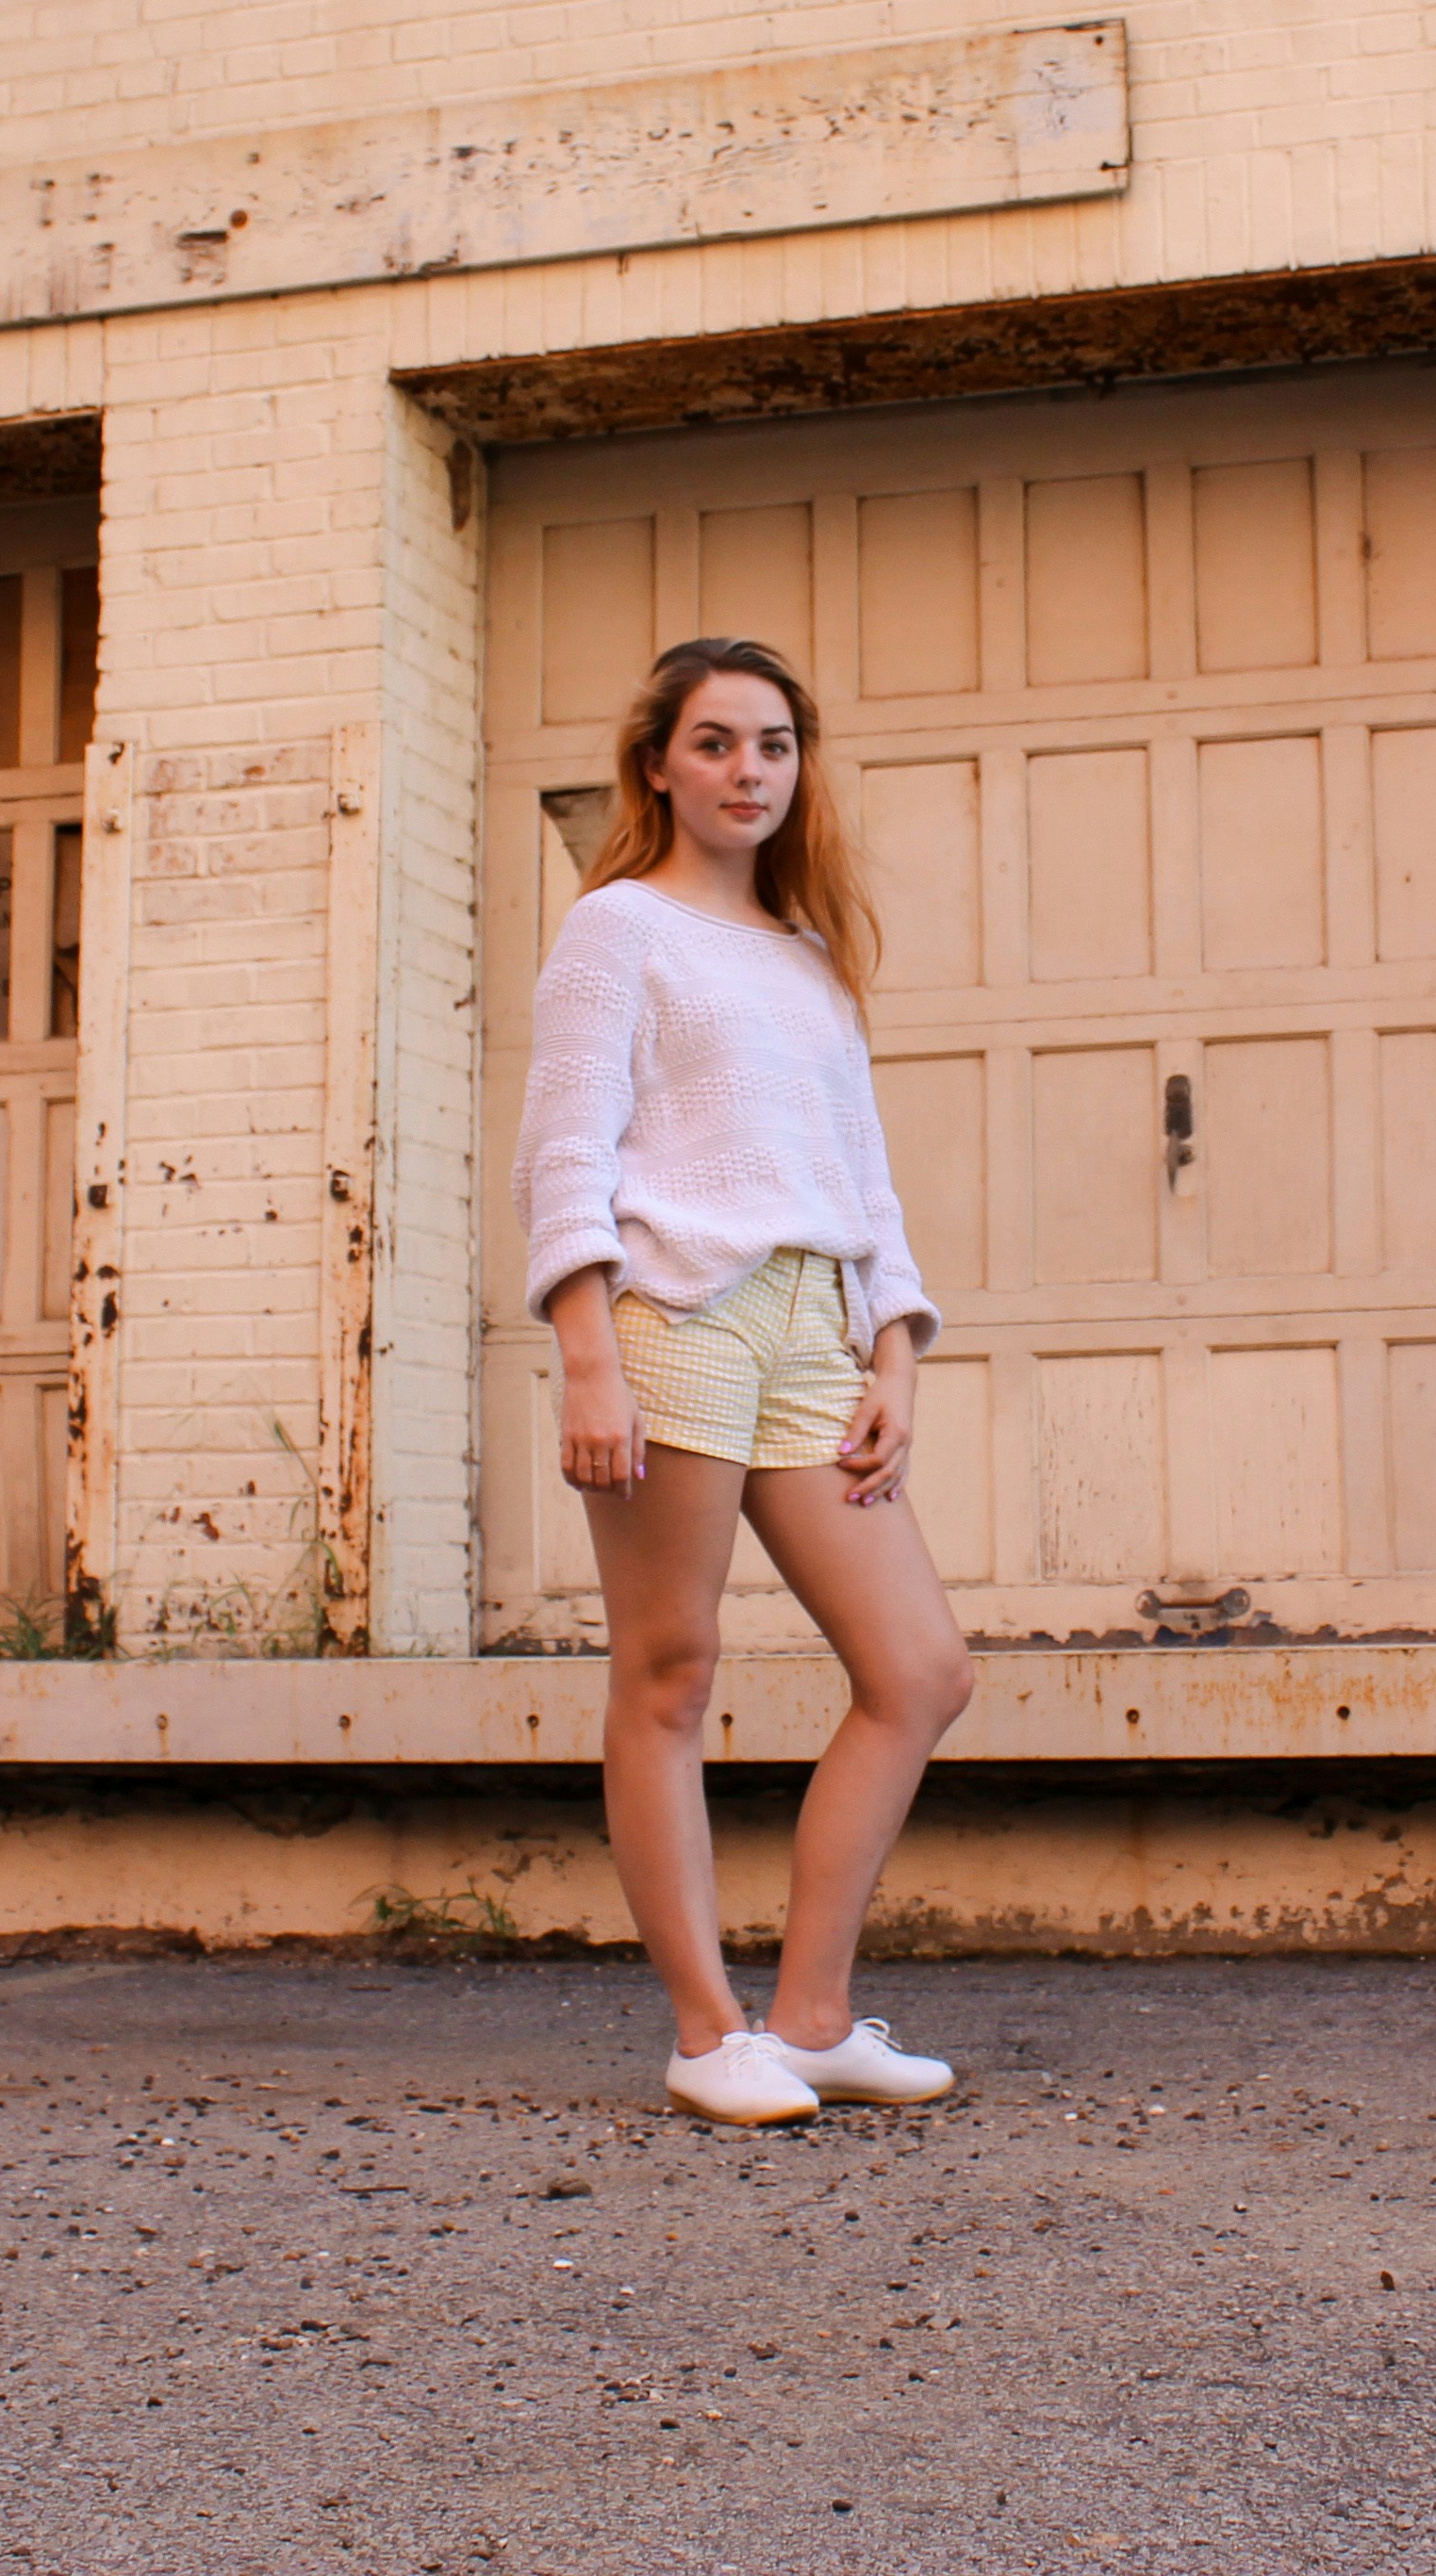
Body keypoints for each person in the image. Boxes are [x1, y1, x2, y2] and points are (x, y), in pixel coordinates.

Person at [516, 633, 978, 2124]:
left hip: (812, 1324)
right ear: (659, 762)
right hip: (675, 1316)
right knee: (670, 1671)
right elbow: (565, 1150)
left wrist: (894, 1347)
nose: (747, 772)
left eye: (772, 746)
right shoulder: (617, 929)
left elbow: (863, 1174)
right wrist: (589, 1352)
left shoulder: (812, 955)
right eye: (715, 743)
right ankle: (710, 2032)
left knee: (918, 1672)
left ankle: (818, 2015)